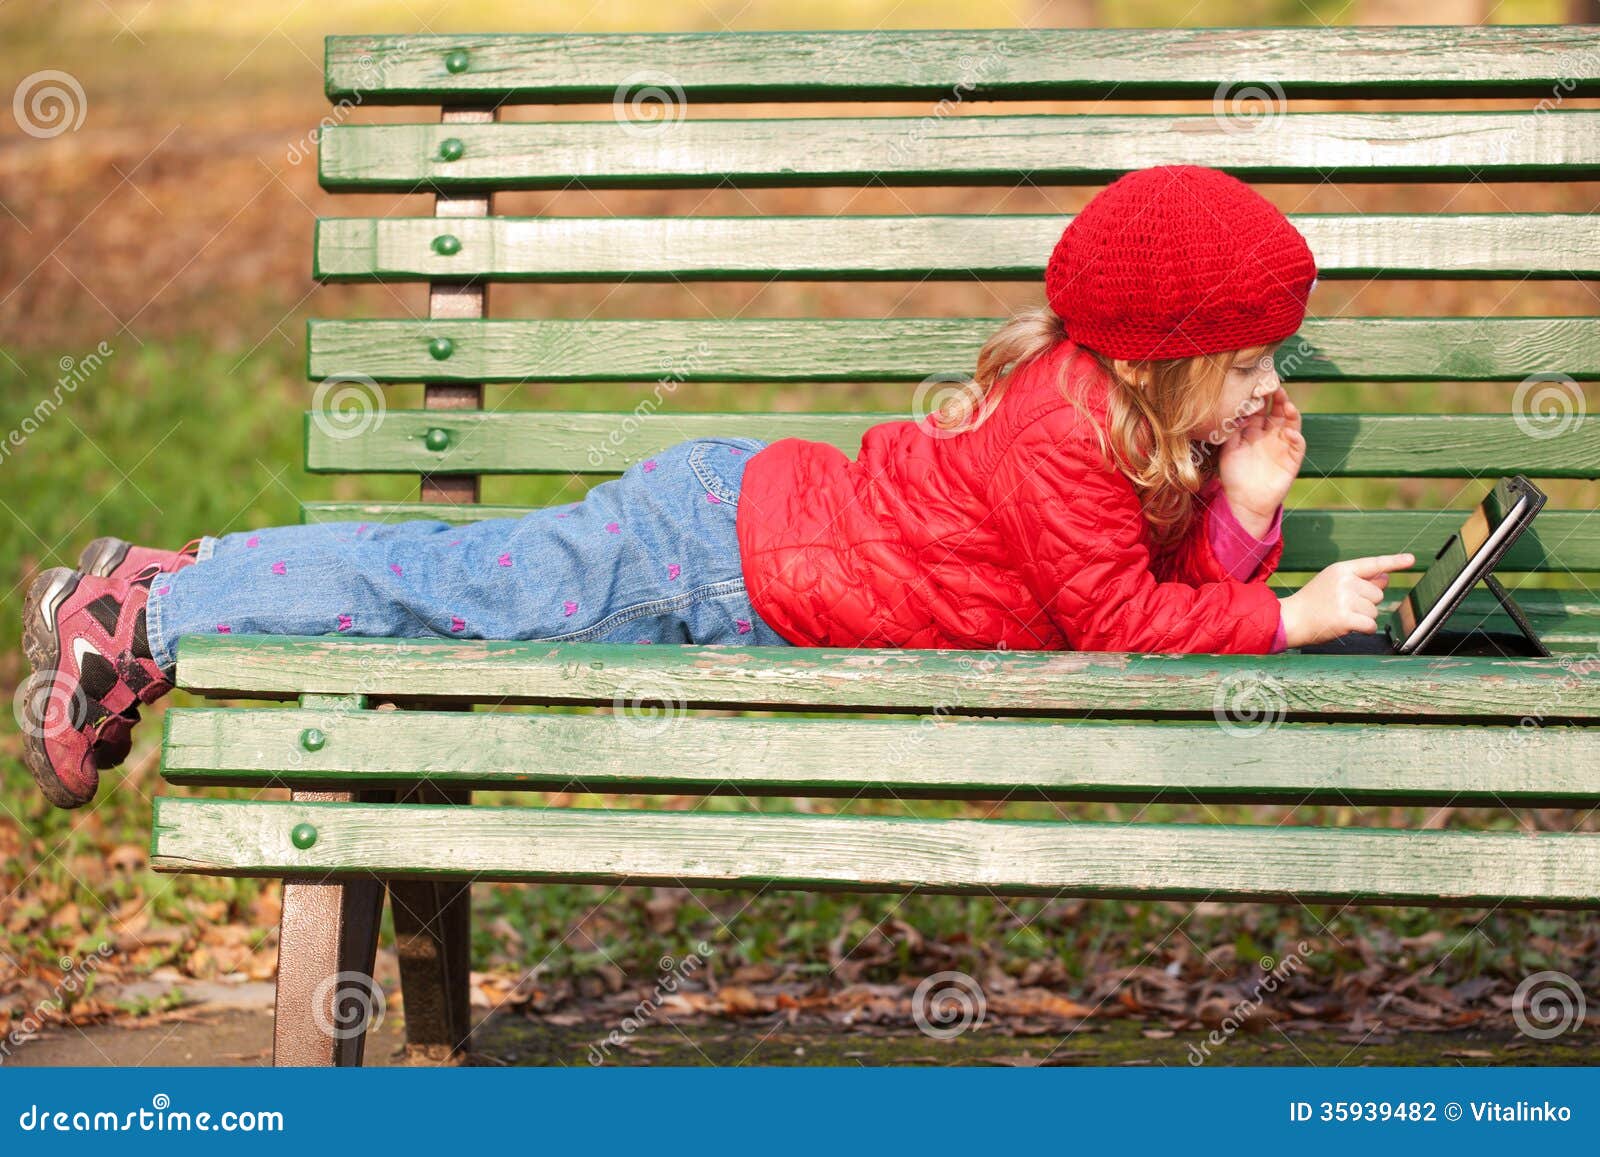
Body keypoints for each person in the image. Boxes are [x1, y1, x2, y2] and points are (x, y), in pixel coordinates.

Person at [18, 165, 1412, 808]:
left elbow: (1146, 601)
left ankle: (173, 592)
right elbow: (1120, 624)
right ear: (1165, 361)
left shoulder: (1123, 425)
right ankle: (155, 608)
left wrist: (1241, 504)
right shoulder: (1066, 435)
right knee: (442, 597)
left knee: (445, 591)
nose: (1265, 388)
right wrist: (1280, 617)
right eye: (1248, 364)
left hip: (742, 542)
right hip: (708, 561)